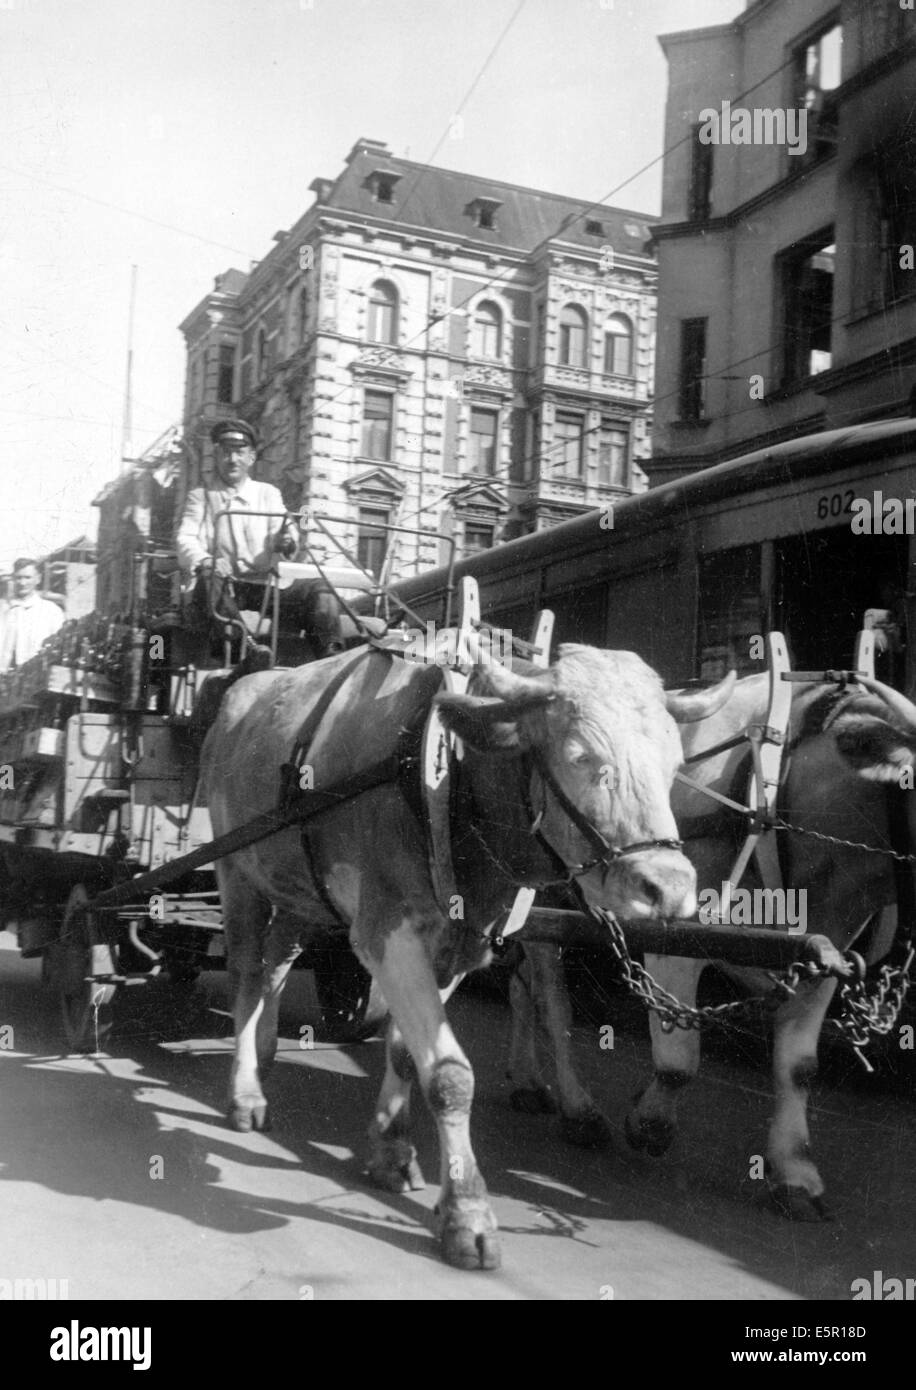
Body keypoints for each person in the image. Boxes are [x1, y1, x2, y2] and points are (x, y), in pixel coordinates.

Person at [176, 419, 299, 667]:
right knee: (209, 577)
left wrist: (286, 541)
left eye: (240, 453)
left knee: (319, 591)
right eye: (225, 452)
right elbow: (185, 538)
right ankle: (247, 652)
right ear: (217, 456)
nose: (233, 460)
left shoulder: (268, 494)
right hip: (223, 587)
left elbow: (284, 529)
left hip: (263, 587)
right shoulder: (201, 497)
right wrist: (206, 560)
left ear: (251, 458)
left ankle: (331, 660)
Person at [0, 557, 64, 672]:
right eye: (18, 578)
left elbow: (58, 648)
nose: (22, 583)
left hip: (35, 679)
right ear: (13, 579)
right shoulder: (4, 610)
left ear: (38, 579)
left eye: (27, 577)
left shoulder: (51, 611)